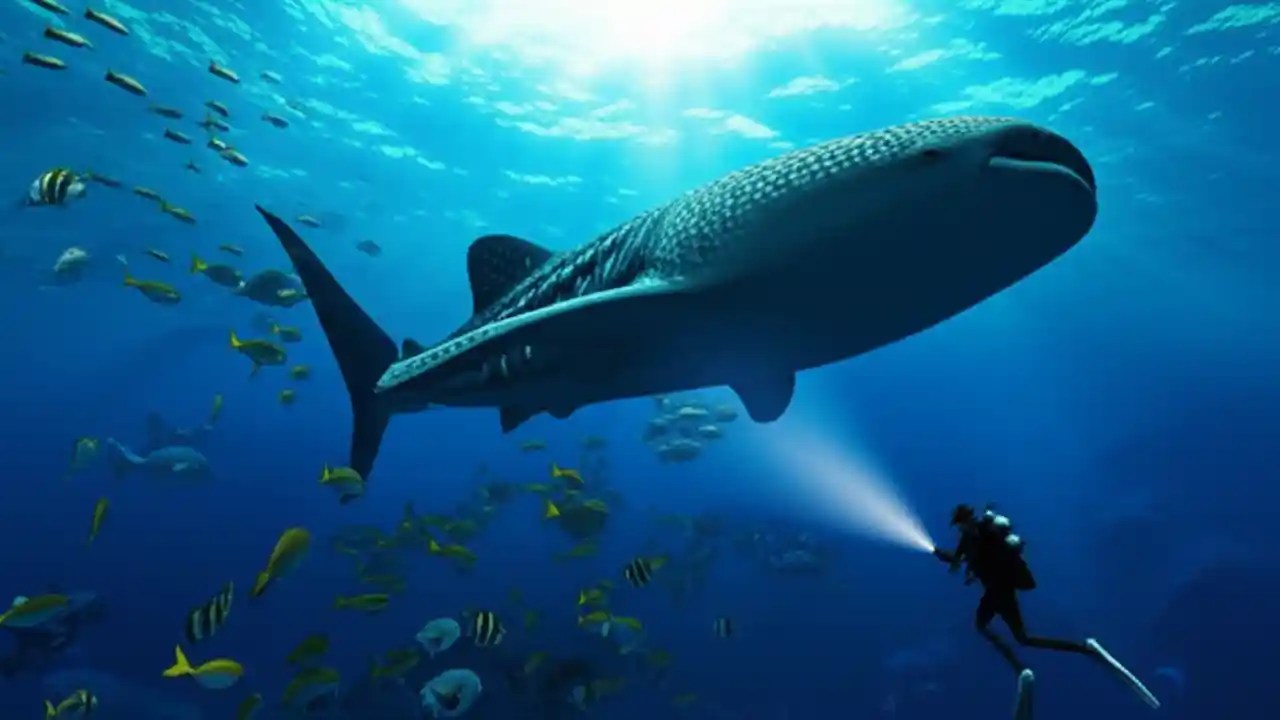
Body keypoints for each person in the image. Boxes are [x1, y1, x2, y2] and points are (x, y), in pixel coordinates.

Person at [933, 504, 1159, 717]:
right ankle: (1074, 653)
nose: (960, 527)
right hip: (994, 590)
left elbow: (986, 559)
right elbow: (956, 562)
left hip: (1001, 589)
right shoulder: (967, 540)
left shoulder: (986, 532)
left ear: (967, 519)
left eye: (960, 523)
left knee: (1008, 633)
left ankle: (1037, 666)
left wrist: (973, 565)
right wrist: (937, 552)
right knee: (1015, 636)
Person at [0, 591, 105, 678]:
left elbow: (13, 623)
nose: (24, 665)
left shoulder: (24, 634)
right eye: (21, 668)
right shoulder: (48, 651)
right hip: (64, 619)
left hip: (59, 613)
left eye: (19, 666)